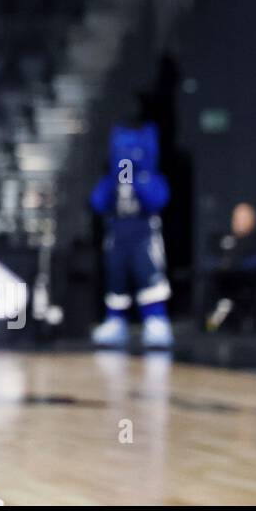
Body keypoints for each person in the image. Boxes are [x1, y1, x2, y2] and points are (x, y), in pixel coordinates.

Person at [89, 121, 173, 348]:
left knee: (149, 277)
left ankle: (155, 320)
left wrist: (136, 179)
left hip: (144, 237)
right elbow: (97, 202)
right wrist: (115, 179)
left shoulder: (148, 177)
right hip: (118, 237)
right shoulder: (113, 180)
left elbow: (157, 200)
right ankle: (115, 320)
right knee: (116, 279)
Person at [200, 203, 256, 334]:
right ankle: (213, 321)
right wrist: (222, 266)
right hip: (221, 282)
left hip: (245, 283)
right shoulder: (221, 239)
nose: (240, 222)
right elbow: (208, 260)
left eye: (245, 218)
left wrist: (236, 266)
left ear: (253, 221)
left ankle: (248, 321)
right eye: (238, 218)